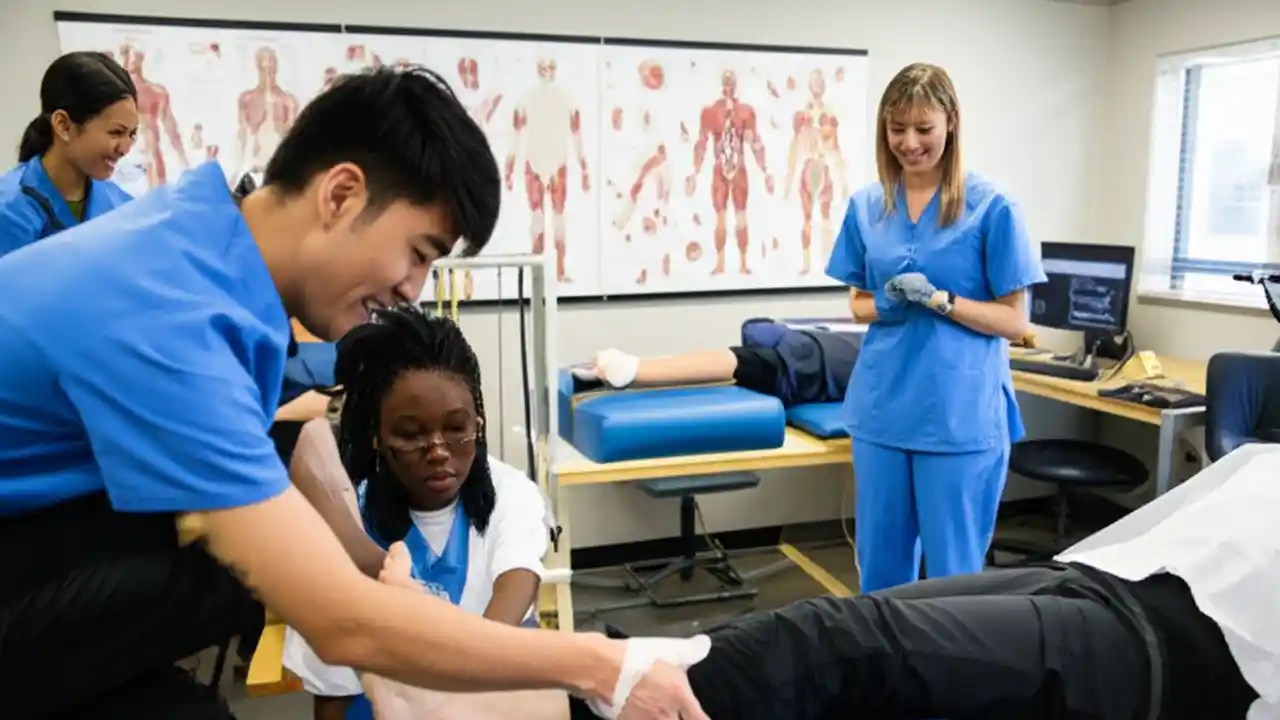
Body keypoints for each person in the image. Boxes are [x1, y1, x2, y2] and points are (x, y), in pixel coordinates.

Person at [0, 65, 706, 720]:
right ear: (340, 195)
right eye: (420, 252)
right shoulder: (170, 317)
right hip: (28, 562)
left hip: (44, 536)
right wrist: (604, 664)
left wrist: (372, 563)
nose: (413, 289)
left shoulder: (203, 233)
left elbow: (284, 429)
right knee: (248, 569)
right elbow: (341, 623)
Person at [356, 444, 1280, 720]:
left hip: (1162, 659)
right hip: (1108, 576)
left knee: (836, 647)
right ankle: (549, 694)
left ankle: (507, 705)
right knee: (845, 623)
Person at [824, 62, 1048, 593]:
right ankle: (881, 675)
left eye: (923, 128)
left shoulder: (993, 207)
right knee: (880, 574)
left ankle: (952, 679)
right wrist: (889, 301)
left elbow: (1015, 321)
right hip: (883, 409)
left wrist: (943, 301)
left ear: (951, 123)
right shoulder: (867, 206)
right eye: (896, 128)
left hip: (958, 414)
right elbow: (856, 304)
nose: (909, 142)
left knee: (954, 578)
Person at [283, 306, 552, 720]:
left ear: (478, 423)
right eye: (411, 435)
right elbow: (332, 693)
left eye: (457, 428)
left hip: (492, 694)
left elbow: (516, 587)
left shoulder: (512, 495)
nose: (439, 450)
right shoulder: (349, 521)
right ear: (376, 436)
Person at [0, 51, 137, 256]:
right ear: (63, 125)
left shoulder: (124, 208)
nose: (125, 149)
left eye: (132, 134)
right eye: (116, 132)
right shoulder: (9, 211)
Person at [572, 319, 863, 408]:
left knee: (749, 364)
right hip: (816, 357)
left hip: (816, 356)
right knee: (751, 364)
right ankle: (632, 369)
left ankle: (632, 368)